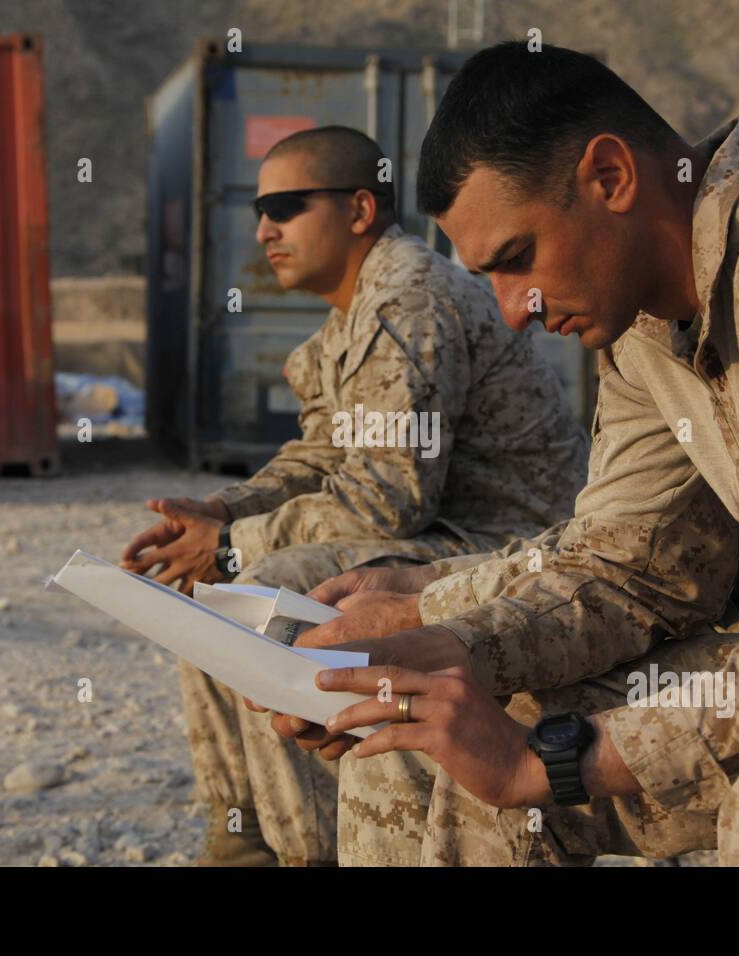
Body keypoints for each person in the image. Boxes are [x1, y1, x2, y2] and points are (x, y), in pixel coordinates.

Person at [266, 43, 739, 866]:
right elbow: (639, 570)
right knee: (433, 737)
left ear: (610, 177)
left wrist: (560, 759)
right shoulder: (641, 326)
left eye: (517, 259)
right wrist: (454, 649)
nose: (512, 310)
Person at [121, 125, 589, 865]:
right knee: (210, 593)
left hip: (509, 546)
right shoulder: (353, 314)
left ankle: (314, 851)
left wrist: (233, 548)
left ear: (360, 210)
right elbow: (323, 455)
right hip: (439, 532)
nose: (265, 228)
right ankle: (246, 838)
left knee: (268, 588)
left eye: (287, 205)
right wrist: (225, 516)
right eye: (258, 209)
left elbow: (386, 498)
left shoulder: (408, 298)